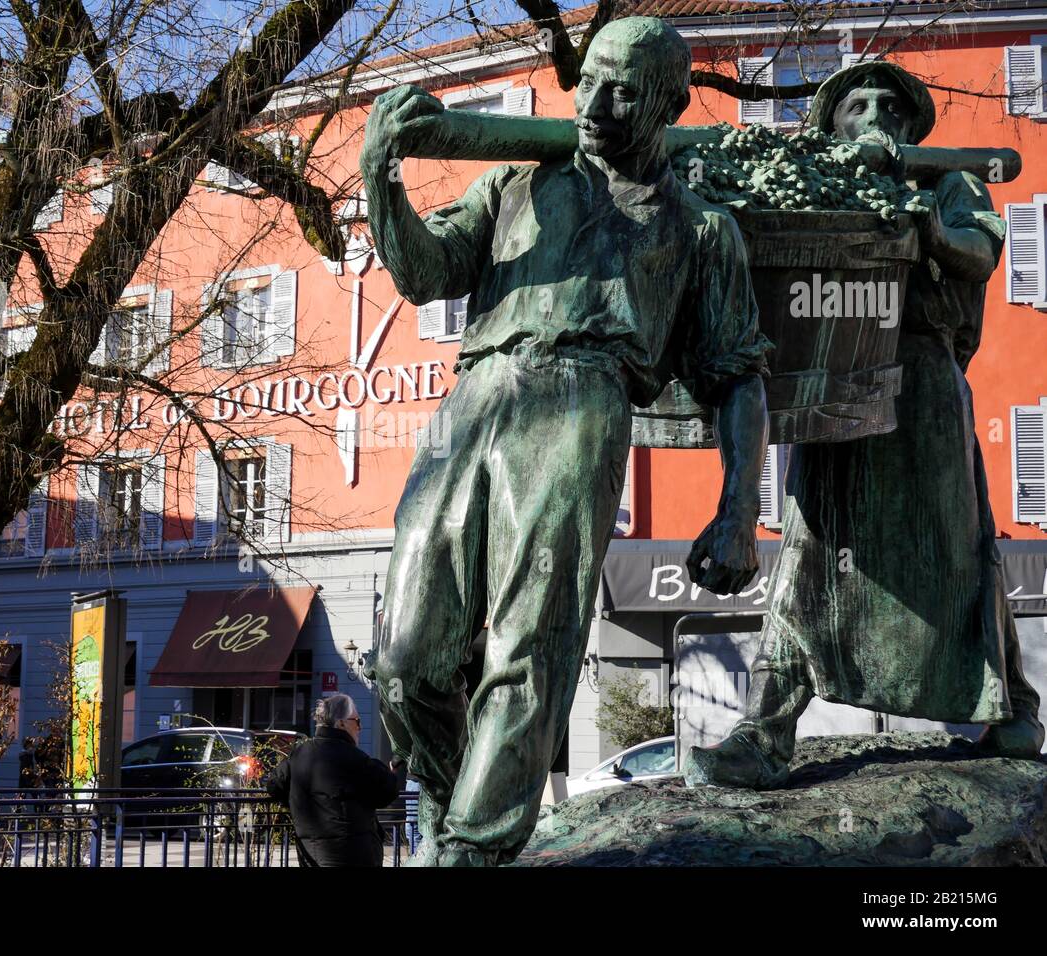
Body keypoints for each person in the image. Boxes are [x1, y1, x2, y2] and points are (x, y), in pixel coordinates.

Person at [361, 16, 772, 866]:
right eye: (589, 80)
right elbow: (424, 272)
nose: (594, 103)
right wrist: (380, 179)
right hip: (471, 398)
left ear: (667, 102)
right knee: (402, 662)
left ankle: (473, 847)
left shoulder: (698, 229)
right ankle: (455, 811)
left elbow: (737, 376)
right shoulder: (516, 188)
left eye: (623, 88)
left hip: (585, 402)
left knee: (530, 645)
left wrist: (738, 514)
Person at [685, 60, 1045, 790]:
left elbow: (980, 253)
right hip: (837, 370)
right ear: (835, 123)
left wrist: (928, 232)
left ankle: (1015, 708)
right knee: (812, 545)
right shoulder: (821, 180)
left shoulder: (948, 179)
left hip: (922, 376)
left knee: (957, 546)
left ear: (911, 124)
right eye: (857, 104)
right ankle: (768, 727)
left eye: (888, 103)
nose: (875, 112)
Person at [264, 694, 406, 867]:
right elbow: (387, 791)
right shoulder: (356, 759)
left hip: (311, 853)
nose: (360, 728)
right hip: (353, 854)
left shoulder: (298, 754)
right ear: (341, 723)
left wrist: (298, 802)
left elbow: (273, 785)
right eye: (357, 721)